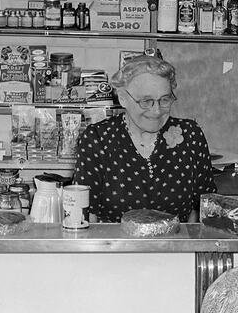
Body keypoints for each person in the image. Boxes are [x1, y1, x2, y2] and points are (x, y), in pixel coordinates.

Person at [72, 53, 217, 223]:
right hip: (114, 248)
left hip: (175, 247)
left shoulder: (190, 136)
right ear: (123, 98)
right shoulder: (98, 139)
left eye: (165, 100)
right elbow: (86, 214)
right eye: (146, 101)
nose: (156, 111)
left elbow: (202, 208)